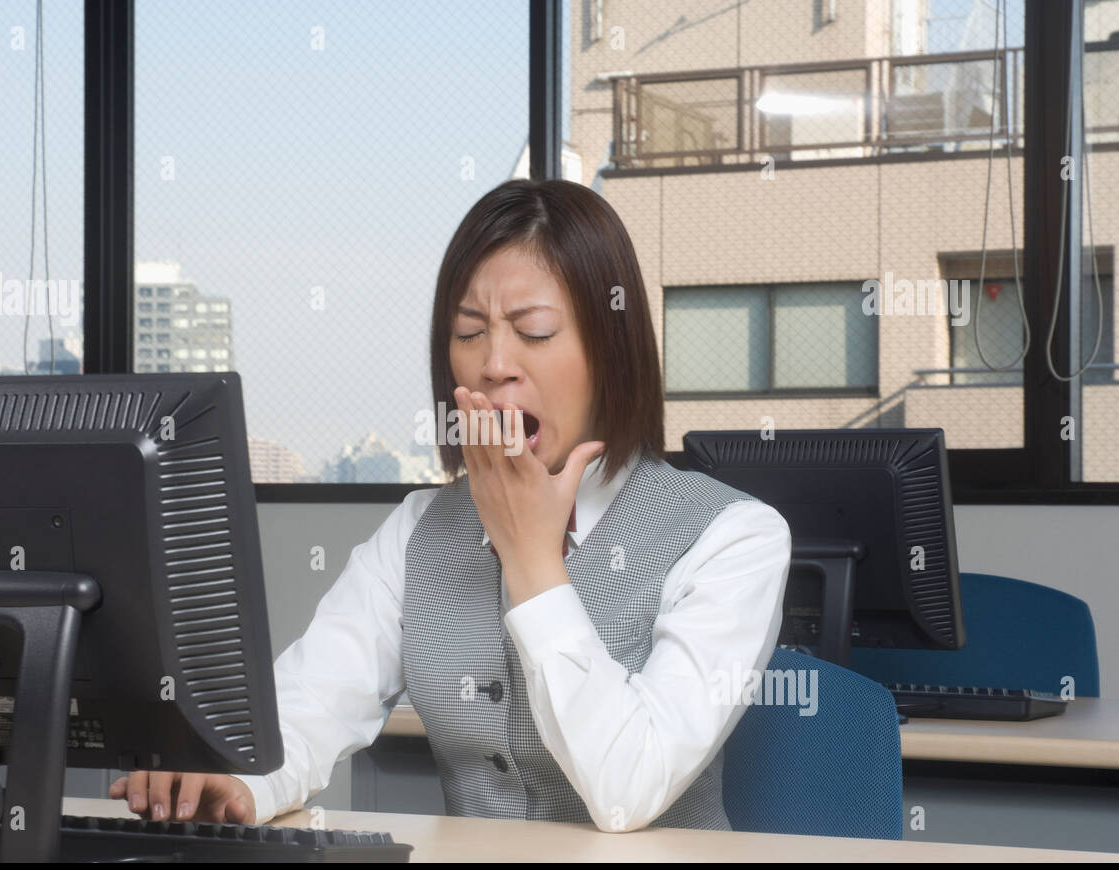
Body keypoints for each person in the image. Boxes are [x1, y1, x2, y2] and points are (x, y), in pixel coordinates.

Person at [109, 178, 792, 832]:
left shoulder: (734, 537)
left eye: (536, 330)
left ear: (611, 351)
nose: (495, 363)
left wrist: (531, 558)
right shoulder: (416, 531)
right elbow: (311, 702)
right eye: (469, 333)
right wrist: (239, 779)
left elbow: (628, 787)